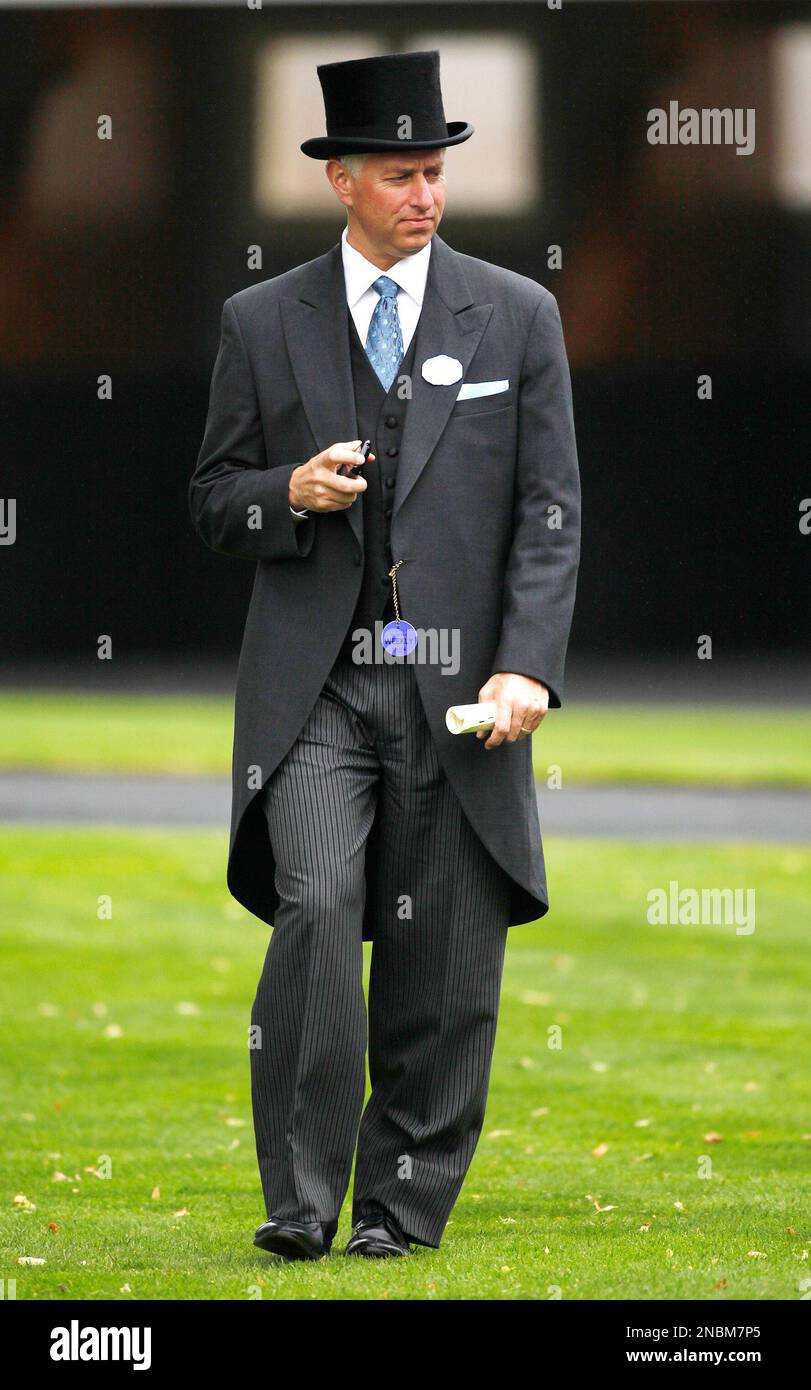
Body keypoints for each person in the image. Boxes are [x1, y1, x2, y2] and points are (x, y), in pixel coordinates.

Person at [189, 49, 581, 1261]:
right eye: (402, 173)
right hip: (316, 687)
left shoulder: (520, 313)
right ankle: (301, 1203)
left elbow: (550, 512)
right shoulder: (261, 321)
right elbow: (212, 498)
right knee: (313, 906)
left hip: (462, 690)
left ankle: (400, 1211)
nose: (426, 193)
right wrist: (284, 491)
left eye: (436, 172)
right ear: (342, 180)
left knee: (445, 958)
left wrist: (527, 666)